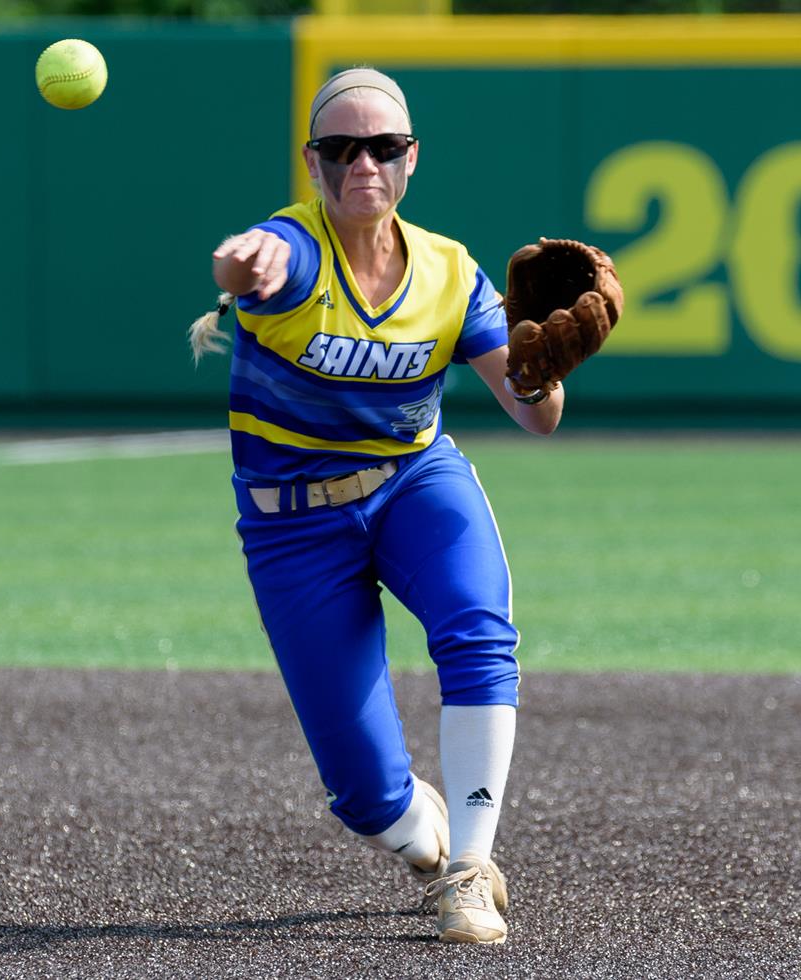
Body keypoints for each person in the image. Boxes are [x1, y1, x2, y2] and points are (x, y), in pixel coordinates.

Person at [190, 67, 563, 945]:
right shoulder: (294, 251)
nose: (364, 162)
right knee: (366, 799)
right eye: (342, 147)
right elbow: (243, 262)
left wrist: (547, 364)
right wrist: (243, 262)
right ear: (313, 162)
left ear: (411, 159)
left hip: (413, 482)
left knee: (478, 630)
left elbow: (535, 415)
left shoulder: (447, 270)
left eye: (384, 147)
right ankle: (414, 828)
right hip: (295, 522)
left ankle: (471, 869)